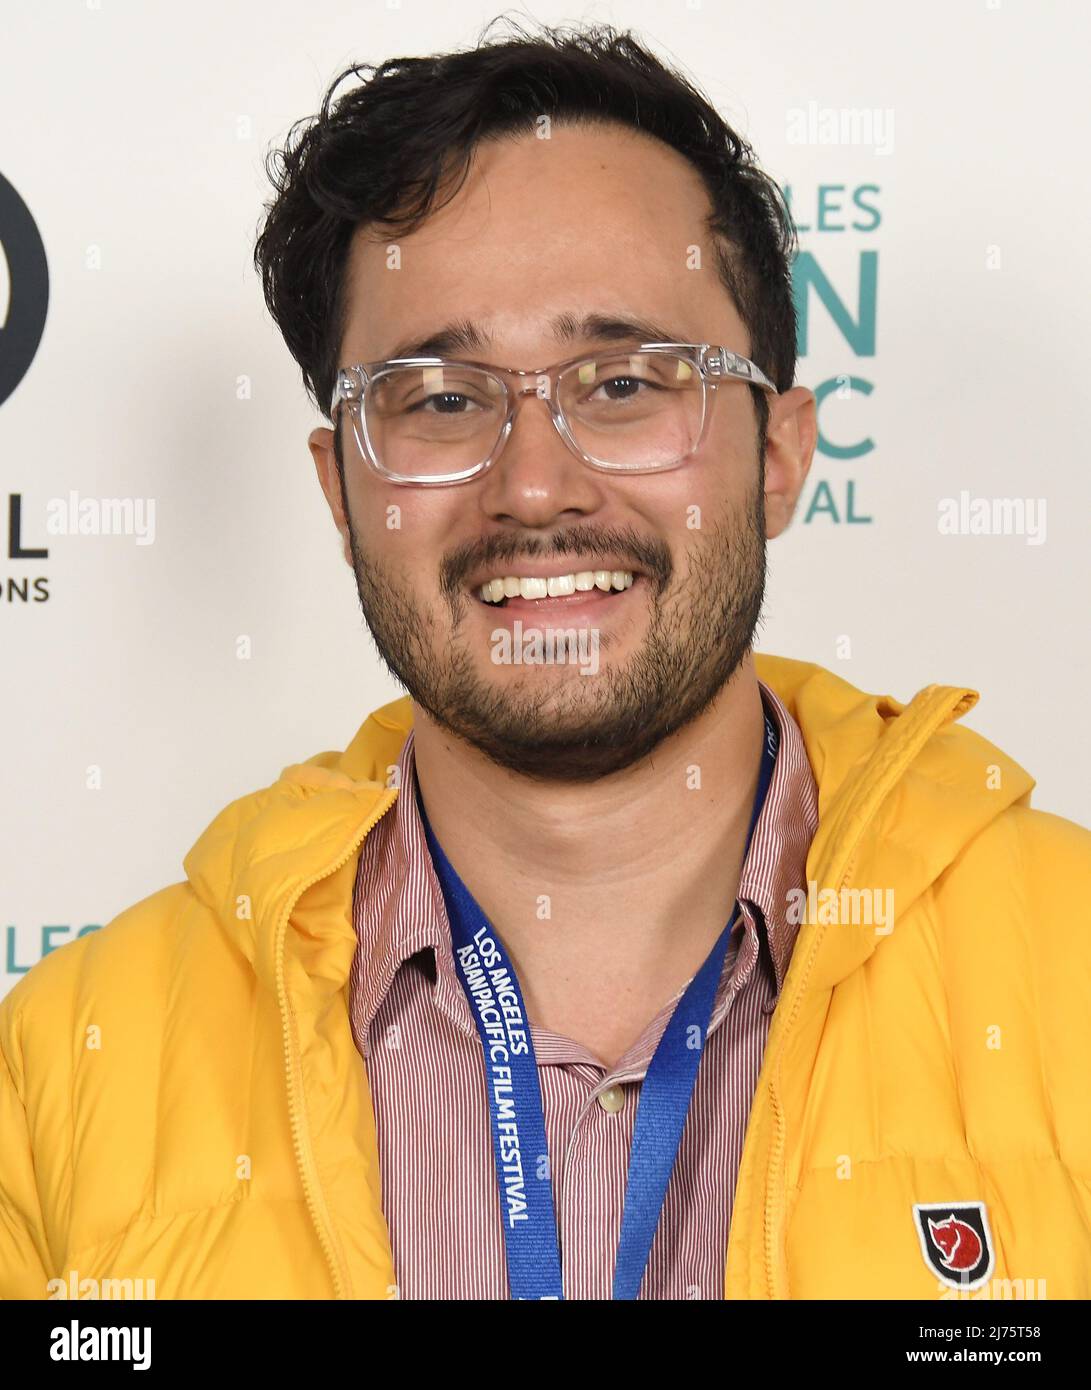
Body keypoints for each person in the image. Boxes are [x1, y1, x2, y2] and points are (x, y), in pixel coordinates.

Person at [2, 20, 1089, 1302]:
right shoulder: (63, 1070)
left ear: (781, 452)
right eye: (440, 397)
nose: (532, 486)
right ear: (341, 491)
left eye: (624, 382)